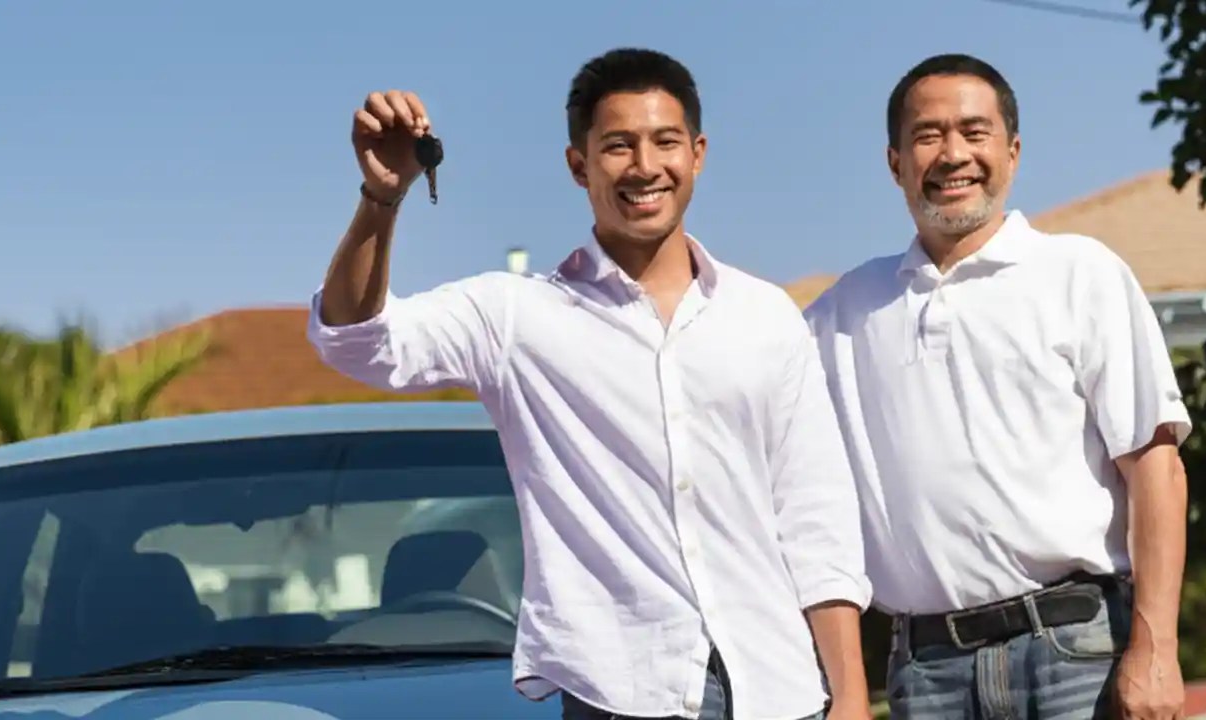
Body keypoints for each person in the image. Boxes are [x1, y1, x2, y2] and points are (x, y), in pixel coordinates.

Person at [307, 47, 873, 720]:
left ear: (697, 152)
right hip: (623, 697)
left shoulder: (766, 316)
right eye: (617, 146)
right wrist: (382, 197)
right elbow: (356, 341)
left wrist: (852, 697)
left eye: (664, 142)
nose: (644, 167)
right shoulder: (518, 318)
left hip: (779, 691)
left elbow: (816, 517)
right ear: (579, 165)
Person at [804, 53, 1192, 720]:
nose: (953, 153)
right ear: (894, 161)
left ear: (1012, 151)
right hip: (927, 676)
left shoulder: (1078, 273)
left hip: (1078, 653)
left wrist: (1156, 649)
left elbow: (1155, 466)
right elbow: (805, 511)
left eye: (974, 132)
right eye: (927, 135)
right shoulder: (838, 317)